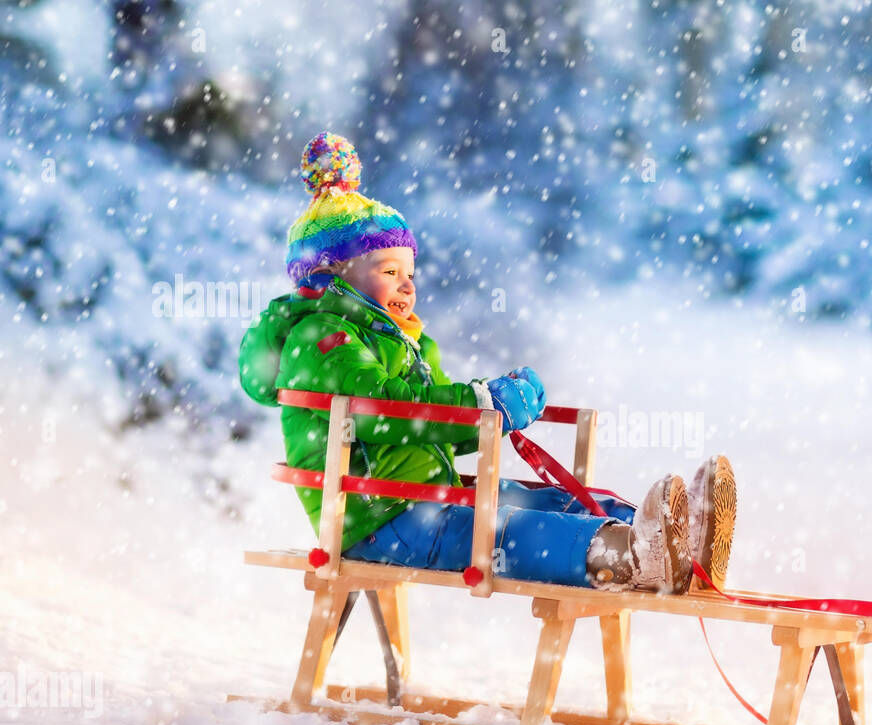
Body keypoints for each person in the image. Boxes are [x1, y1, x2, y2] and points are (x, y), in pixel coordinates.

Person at [238, 132, 735, 594]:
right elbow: (387, 410)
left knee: (532, 499)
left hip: (420, 498)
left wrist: (495, 410)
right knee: (511, 527)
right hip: (377, 520)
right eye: (390, 272)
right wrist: (483, 404)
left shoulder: (399, 342)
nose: (408, 286)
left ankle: (669, 537)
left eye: (411, 272)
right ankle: (634, 554)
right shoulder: (325, 337)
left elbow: (436, 425)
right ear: (333, 276)